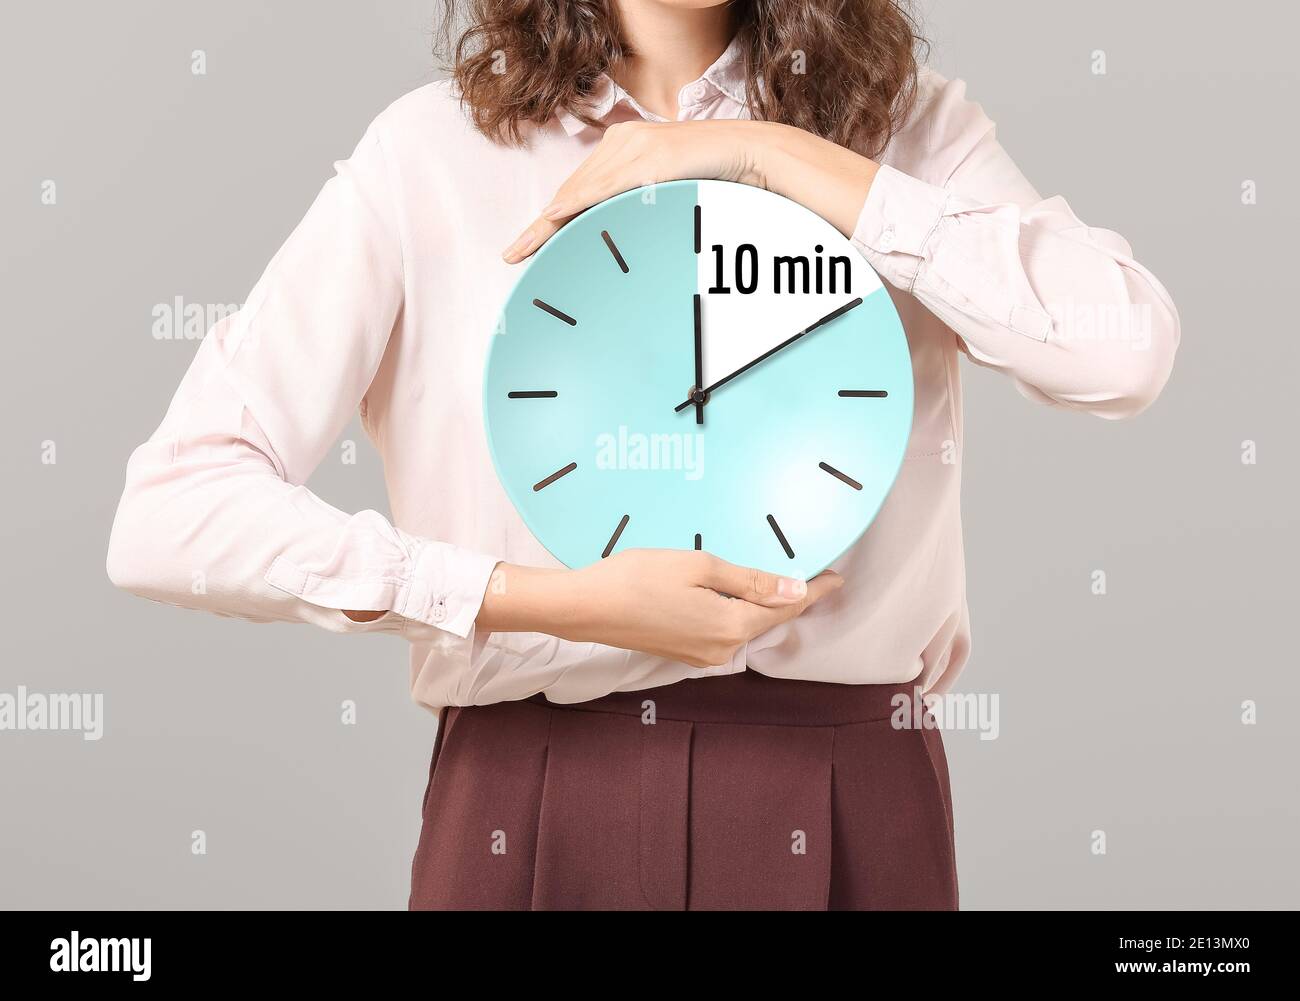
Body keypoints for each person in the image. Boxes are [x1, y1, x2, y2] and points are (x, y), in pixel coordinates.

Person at [107, 0, 1179, 909]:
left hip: (853, 785)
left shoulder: (904, 131)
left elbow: (1123, 350)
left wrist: (776, 155)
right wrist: (531, 598)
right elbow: (169, 512)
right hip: (531, 796)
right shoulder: (429, 156)